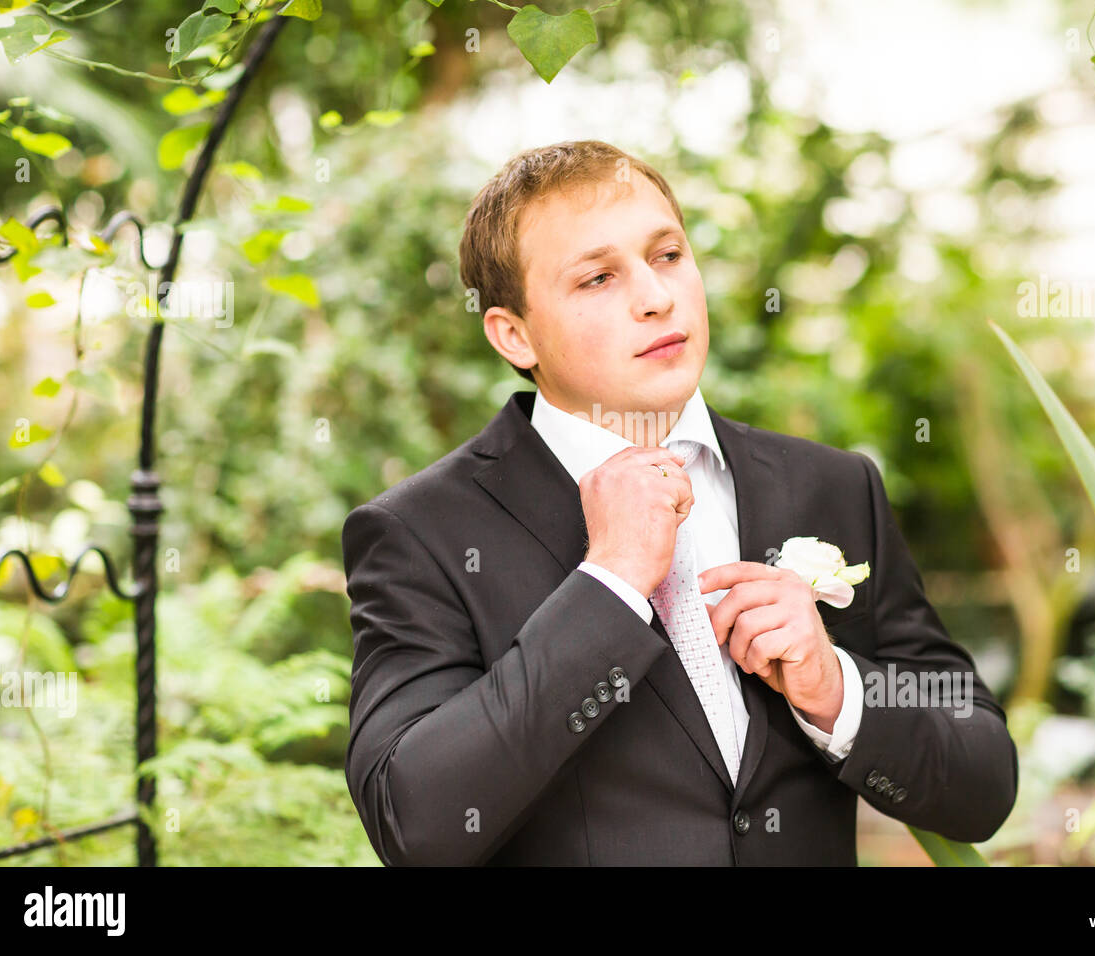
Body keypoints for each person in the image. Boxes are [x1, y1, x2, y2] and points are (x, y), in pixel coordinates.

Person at [340, 139, 1018, 865]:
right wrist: (608, 585)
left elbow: (982, 782)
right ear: (514, 334)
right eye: (598, 278)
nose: (656, 297)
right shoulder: (422, 532)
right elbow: (416, 823)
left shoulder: (832, 486)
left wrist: (837, 688)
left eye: (667, 256)